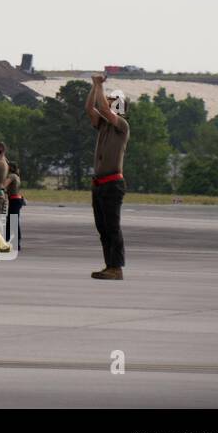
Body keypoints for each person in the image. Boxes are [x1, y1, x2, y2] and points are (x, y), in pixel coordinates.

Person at [86, 72, 130, 280]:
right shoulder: (103, 125)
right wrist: (94, 86)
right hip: (99, 184)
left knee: (112, 227)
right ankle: (109, 266)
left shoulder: (121, 126)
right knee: (102, 228)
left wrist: (99, 86)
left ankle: (117, 267)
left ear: (118, 106)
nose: (108, 102)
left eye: (112, 100)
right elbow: (90, 108)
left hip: (112, 184)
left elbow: (102, 108)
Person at [6, 161, 25, 245]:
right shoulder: (16, 176)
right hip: (16, 200)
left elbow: (4, 185)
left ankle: (16, 242)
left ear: (10, 168)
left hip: (14, 200)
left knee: (12, 221)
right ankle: (14, 241)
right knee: (12, 221)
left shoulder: (12, 176)